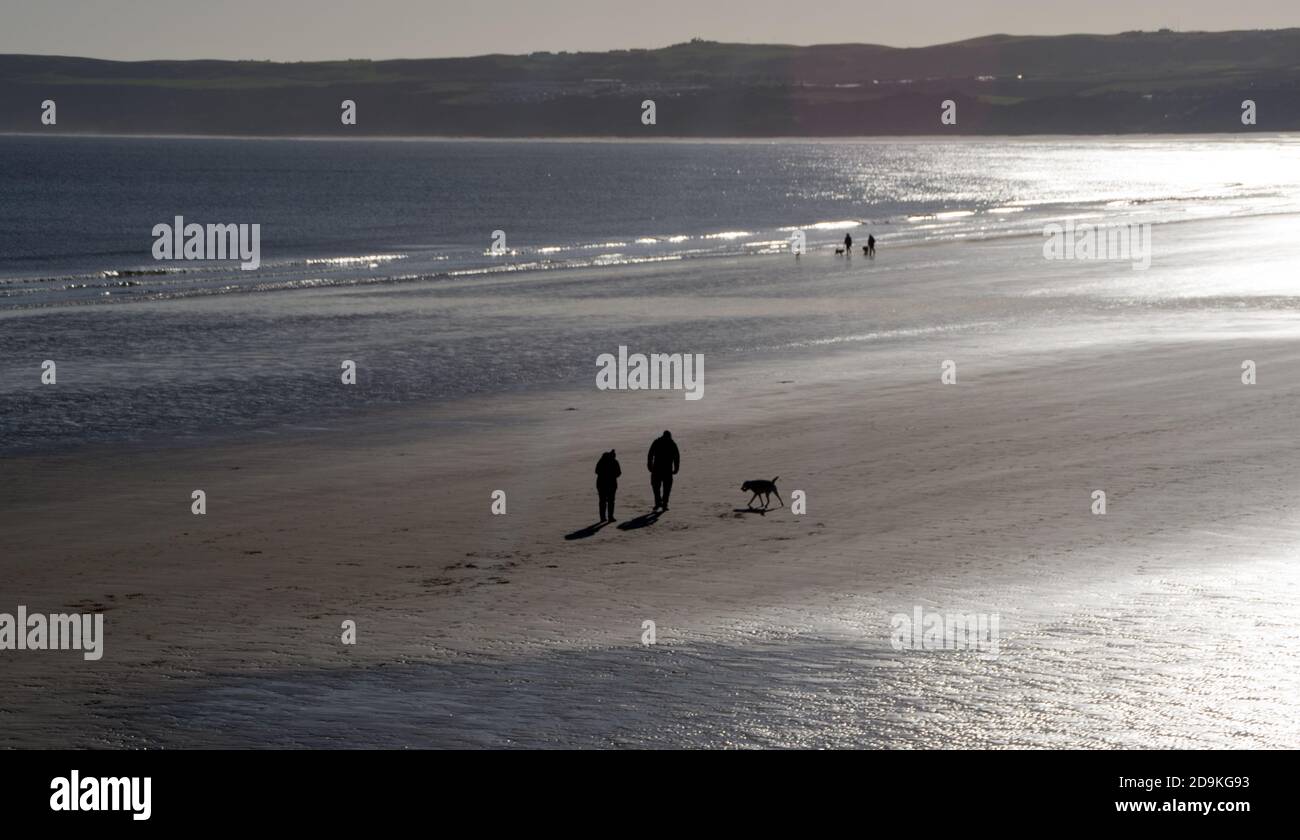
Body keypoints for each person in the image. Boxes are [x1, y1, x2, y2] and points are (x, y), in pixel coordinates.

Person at [646, 430, 680, 511]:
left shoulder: (657, 442)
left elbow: (650, 455)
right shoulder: (672, 444)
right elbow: (676, 457)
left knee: (656, 487)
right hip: (666, 470)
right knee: (666, 488)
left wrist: (650, 466)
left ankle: (659, 503)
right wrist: (676, 468)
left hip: (657, 469)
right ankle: (664, 504)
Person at [595, 449, 621, 522]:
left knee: (602, 501)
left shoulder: (602, 461)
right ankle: (610, 517)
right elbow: (619, 473)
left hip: (601, 484)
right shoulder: (615, 462)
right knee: (611, 501)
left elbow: (596, 471)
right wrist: (612, 475)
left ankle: (603, 518)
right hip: (611, 484)